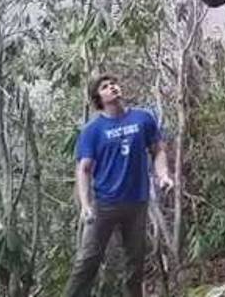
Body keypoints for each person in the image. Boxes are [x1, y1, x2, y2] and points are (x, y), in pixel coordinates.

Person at [64, 74, 174, 297]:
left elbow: (158, 149)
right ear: (99, 98)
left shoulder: (143, 118)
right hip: (104, 205)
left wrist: (163, 175)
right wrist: (85, 205)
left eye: (113, 84)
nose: (112, 87)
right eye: (105, 87)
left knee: (135, 264)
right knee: (87, 261)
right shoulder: (92, 130)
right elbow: (84, 170)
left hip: (137, 203)